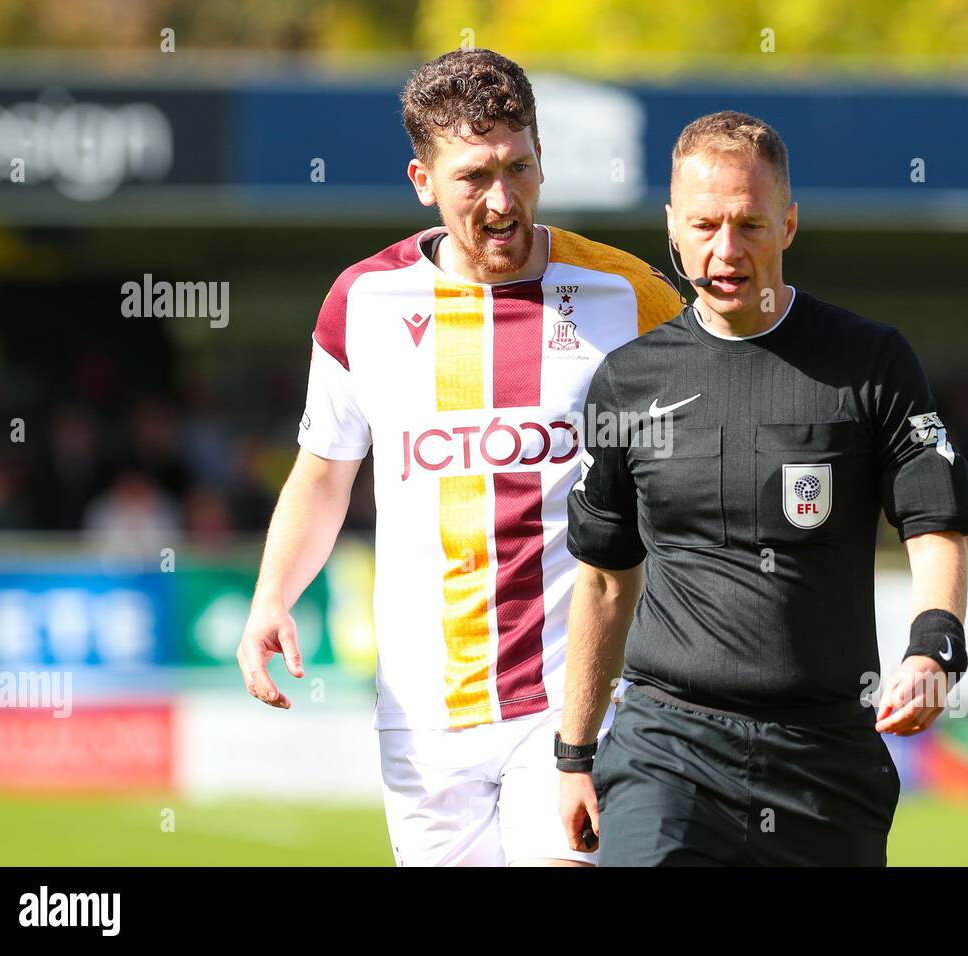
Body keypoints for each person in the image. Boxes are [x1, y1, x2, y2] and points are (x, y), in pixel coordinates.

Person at [235, 48, 682, 867]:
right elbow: (326, 470)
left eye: (520, 167)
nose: (503, 200)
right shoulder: (361, 303)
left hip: (576, 702)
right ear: (422, 180)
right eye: (475, 176)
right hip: (422, 711)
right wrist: (270, 598)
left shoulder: (630, 295)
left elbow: (707, 432)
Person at [557, 110, 968, 866]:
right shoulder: (627, 383)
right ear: (672, 230)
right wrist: (575, 753)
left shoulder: (871, 360)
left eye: (749, 224)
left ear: (787, 224)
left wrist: (933, 647)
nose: (726, 249)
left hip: (823, 756)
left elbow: (933, 520)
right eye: (706, 223)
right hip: (667, 744)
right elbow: (604, 583)